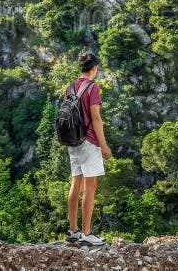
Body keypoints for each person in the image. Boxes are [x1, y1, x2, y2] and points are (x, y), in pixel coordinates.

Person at [65, 52, 112, 246]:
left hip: (72, 140)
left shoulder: (70, 87)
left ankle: (73, 231)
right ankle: (86, 233)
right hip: (89, 141)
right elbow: (96, 118)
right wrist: (104, 145)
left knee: (76, 184)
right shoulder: (93, 88)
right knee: (90, 187)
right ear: (94, 69)